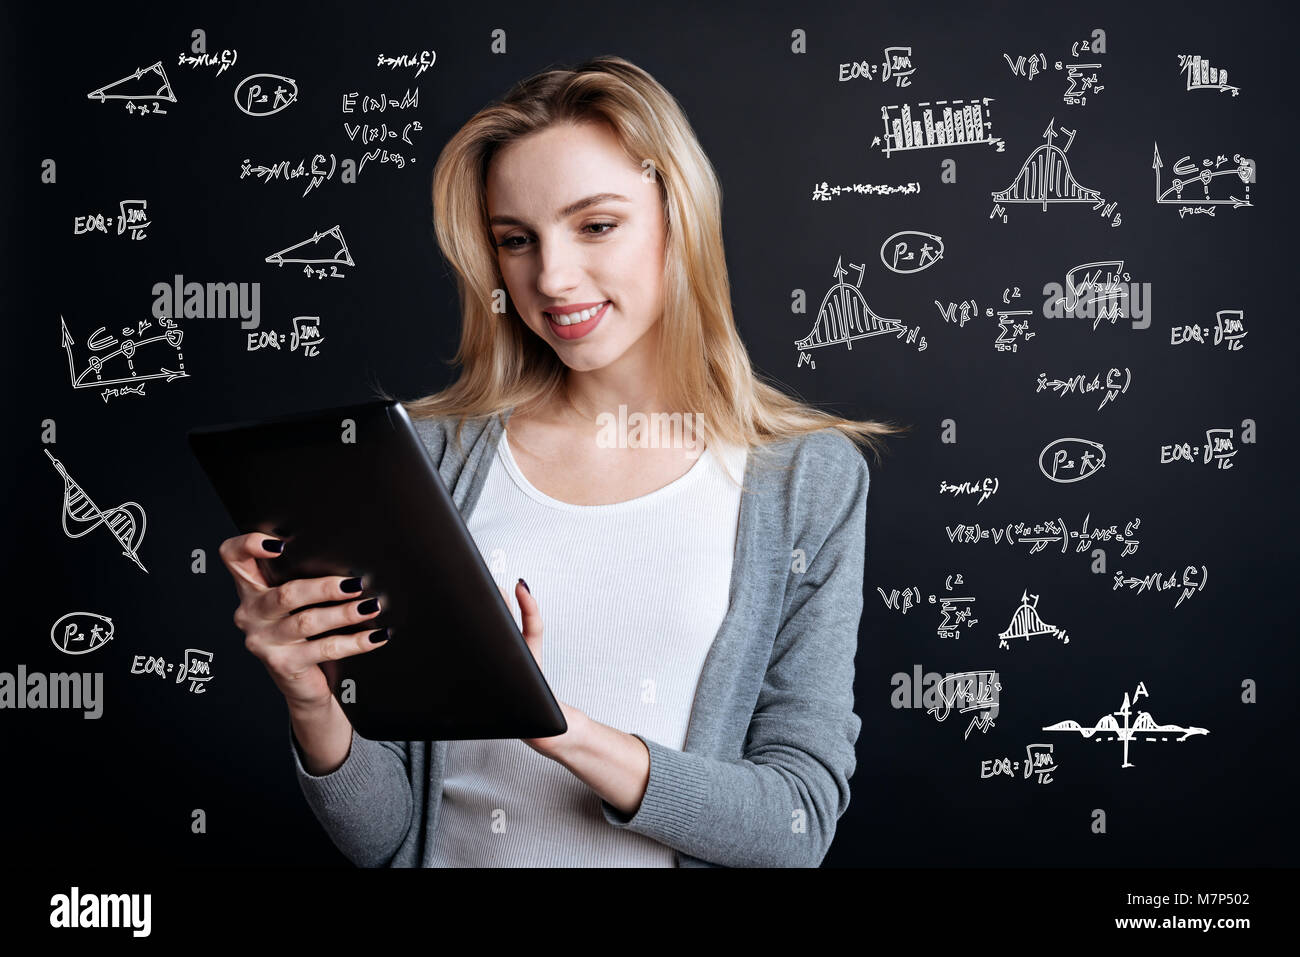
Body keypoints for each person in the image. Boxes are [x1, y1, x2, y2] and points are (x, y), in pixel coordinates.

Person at [220, 55, 906, 867]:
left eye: (597, 225)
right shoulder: (429, 457)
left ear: (676, 217)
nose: (551, 276)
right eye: (516, 240)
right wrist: (312, 702)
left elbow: (795, 822)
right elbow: (388, 838)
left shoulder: (805, 480)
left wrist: (563, 730)